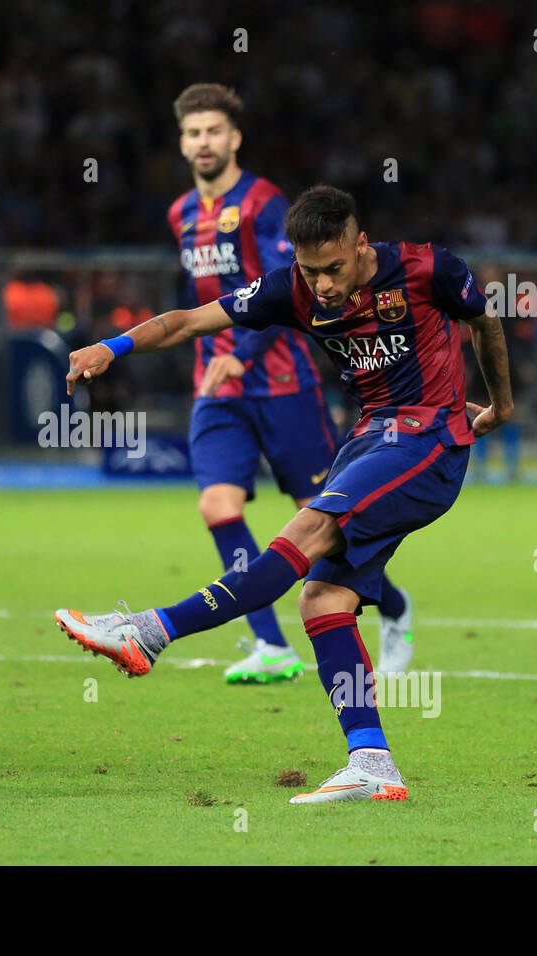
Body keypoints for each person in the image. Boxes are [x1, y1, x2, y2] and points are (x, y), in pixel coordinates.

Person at [57, 185, 514, 803]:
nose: (322, 285)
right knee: (322, 601)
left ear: (360, 243)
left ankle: (148, 632)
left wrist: (501, 408)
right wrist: (112, 347)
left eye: (333, 268)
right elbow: (190, 322)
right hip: (369, 441)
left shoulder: (428, 268)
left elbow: (485, 321)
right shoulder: (290, 290)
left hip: (427, 439)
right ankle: (372, 762)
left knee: (303, 531)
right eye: (309, 270)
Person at [167, 84, 415, 682]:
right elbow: (197, 299)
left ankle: (395, 604)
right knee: (216, 503)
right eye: (194, 132)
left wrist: (243, 354)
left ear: (235, 138)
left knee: (319, 526)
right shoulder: (180, 214)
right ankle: (270, 644)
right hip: (218, 385)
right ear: (183, 142)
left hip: (282, 383)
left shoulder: (263, 203)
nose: (204, 142)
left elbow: (294, 293)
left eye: (214, 131)